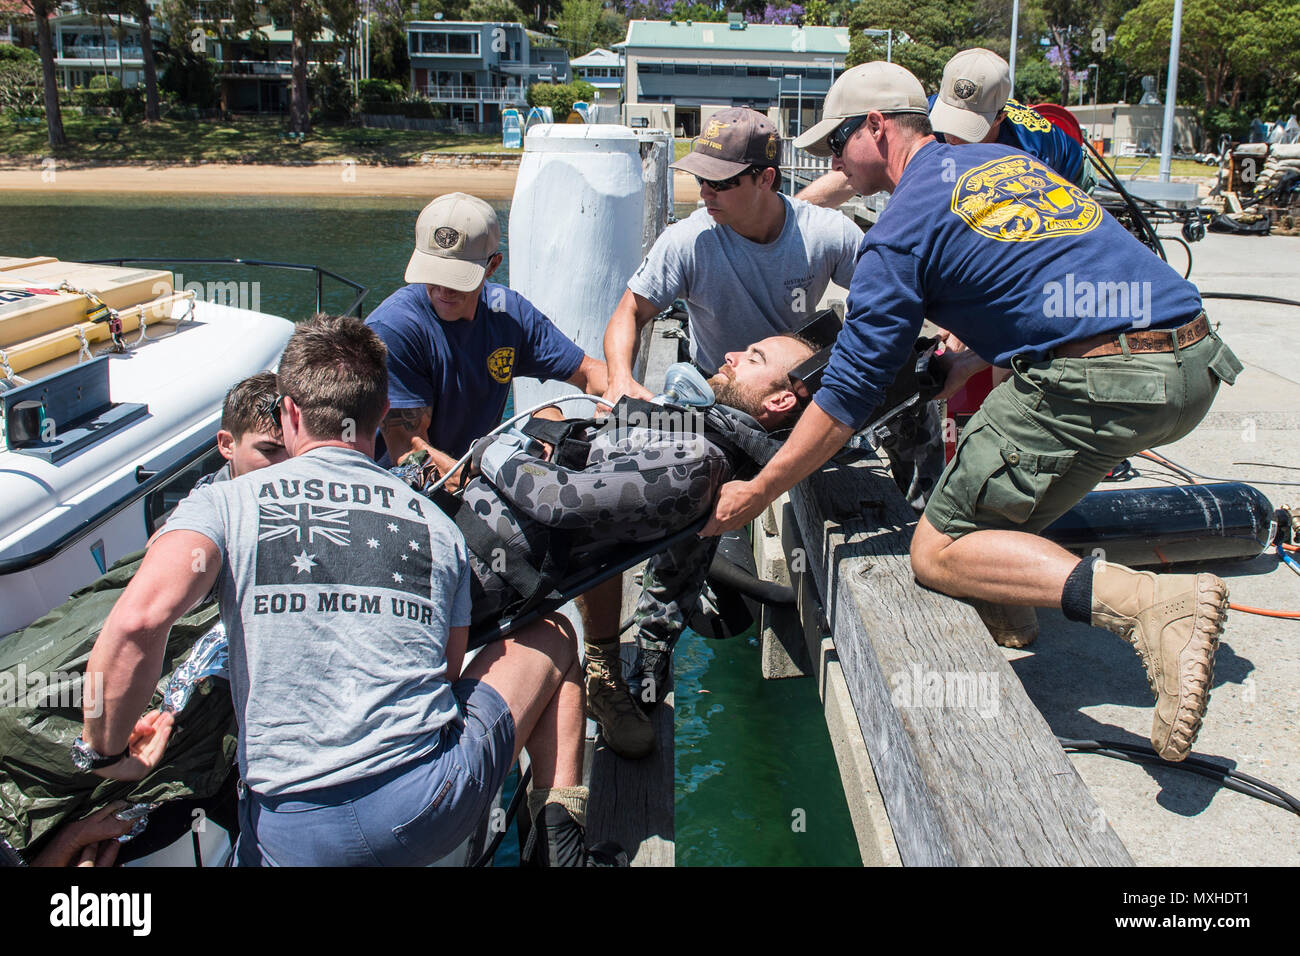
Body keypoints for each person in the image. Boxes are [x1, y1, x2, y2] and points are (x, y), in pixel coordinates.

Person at [703, 61, 1242, 764]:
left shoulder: (899, 231)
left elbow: (848, 396)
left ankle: (1148, 606)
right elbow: (1048, 276)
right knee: (988, 459)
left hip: (1108, 381)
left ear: (878, 125)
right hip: (1194, 366)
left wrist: (760, 488)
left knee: (937, 549)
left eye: (839, 141)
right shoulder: (1000, 164)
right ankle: (1008, 604)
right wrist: (975, 355)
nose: (832, 160)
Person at [79, 314, 607, 866]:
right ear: (381, 415)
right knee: (552, 632)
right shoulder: (435, 523)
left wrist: (105, 753)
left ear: (288, 414)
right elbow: (446, 675)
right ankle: (558, 852)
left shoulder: (222, 504)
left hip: (292, 836)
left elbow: (139, 622)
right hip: (425, 811)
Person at [417, 333, 818, 759]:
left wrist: (493, 449)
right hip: (452, 532)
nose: (731, 354)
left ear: (779, 402)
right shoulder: (698, 434)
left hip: (456, 566)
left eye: (752, 358)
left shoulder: (698, 460)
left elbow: (558, 501)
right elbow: (679, 562)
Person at [366, 191, 607, 487]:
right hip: (405, 493)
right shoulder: (394, 328)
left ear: (493, 266)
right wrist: (497, 489)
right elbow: (409, 451)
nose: (443, 289)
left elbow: (591, 373)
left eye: (456, 277)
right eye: (434, 272)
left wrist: (619, 403)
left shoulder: (509, 313)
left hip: (474, 476)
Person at [798, 48, 1090, 208]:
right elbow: (859, 172)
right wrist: (789, 212)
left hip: (1070, 172)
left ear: (998, 118)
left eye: (968, 130)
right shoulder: (928, 111)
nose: (951, 137)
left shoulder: (1026, 152)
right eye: (950, 121)